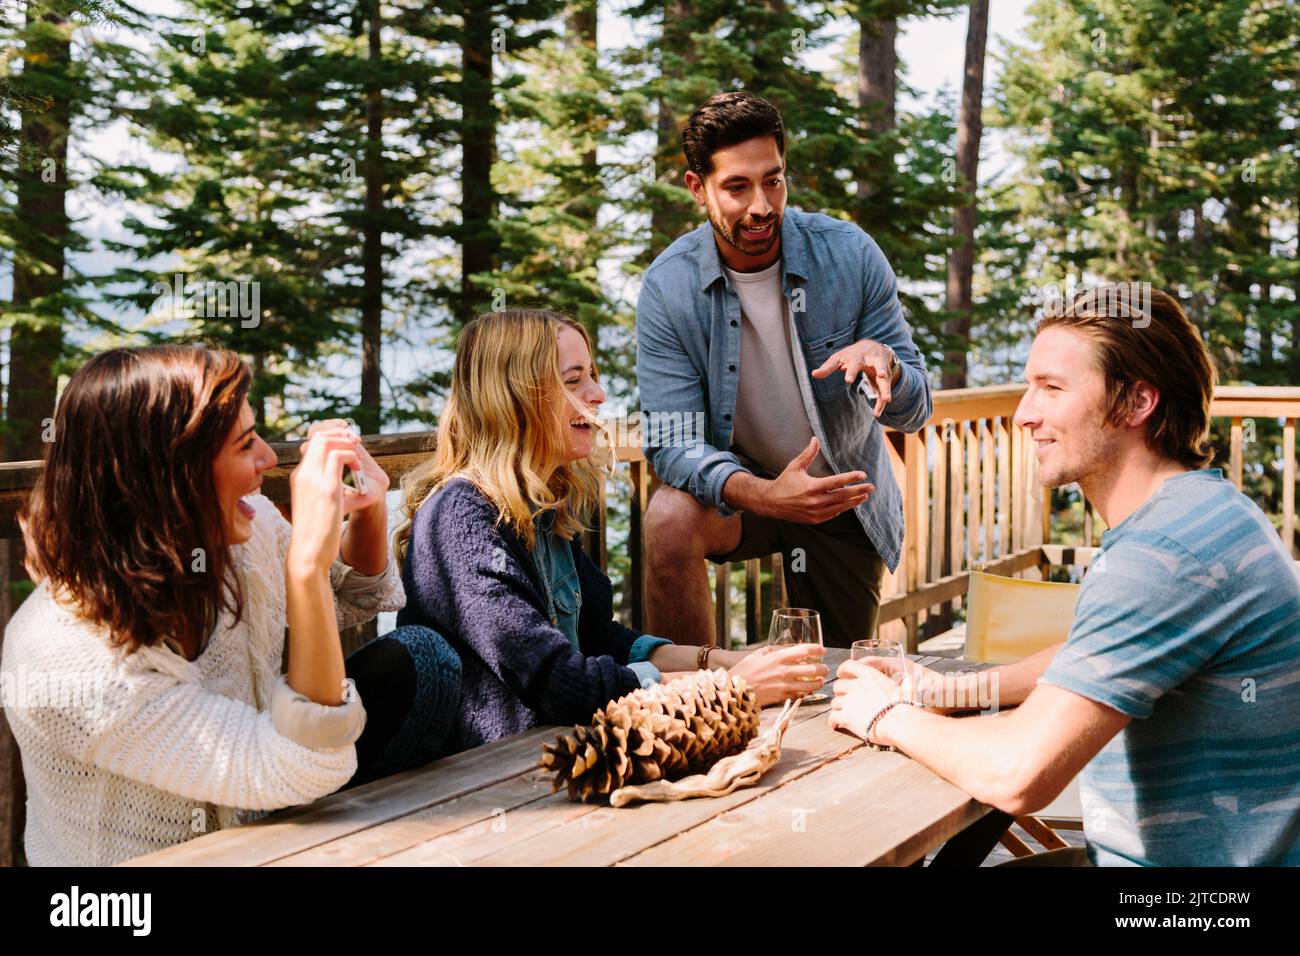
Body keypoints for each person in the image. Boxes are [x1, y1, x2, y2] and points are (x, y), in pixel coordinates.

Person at [830, 286, 1300, 866]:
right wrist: (940, 688)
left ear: (1136, 403)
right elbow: (1090, 655)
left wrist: (885, 715)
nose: (1025, 413)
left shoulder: (1163, 553)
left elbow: (1019, 776)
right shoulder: (1205, 510)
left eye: (1052, 389)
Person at [1, 345, 460, 866]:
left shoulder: (240, 531)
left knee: (422, 660)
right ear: (169, 476)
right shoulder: (72, 659)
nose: (269, 459)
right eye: (245, 445)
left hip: (264, 814)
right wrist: (304, 566)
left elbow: (345, 603)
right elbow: (308, 765)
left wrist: (369, 506)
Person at [394, 308, 825, 754]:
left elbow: (602, 639)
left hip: (553, 754)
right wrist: (726, 685)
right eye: (574, 379)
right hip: (482, 783)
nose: (597, 395)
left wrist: (721, 661)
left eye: (593, 376)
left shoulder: (541, 509)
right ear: (514, 397)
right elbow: (559, 682)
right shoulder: (462, 516)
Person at [636, 90, 933, 649]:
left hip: (840, 495)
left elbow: (919, 410)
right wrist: (763, 494)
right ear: (698, 188)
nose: (762, 206)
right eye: (737, 187)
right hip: (744, 494)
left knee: (838, 678)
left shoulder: (849, 253)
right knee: (669, 518)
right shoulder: (668, 286)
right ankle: (687, 698)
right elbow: (671, 442)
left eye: (773, 180)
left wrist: (889, 366)